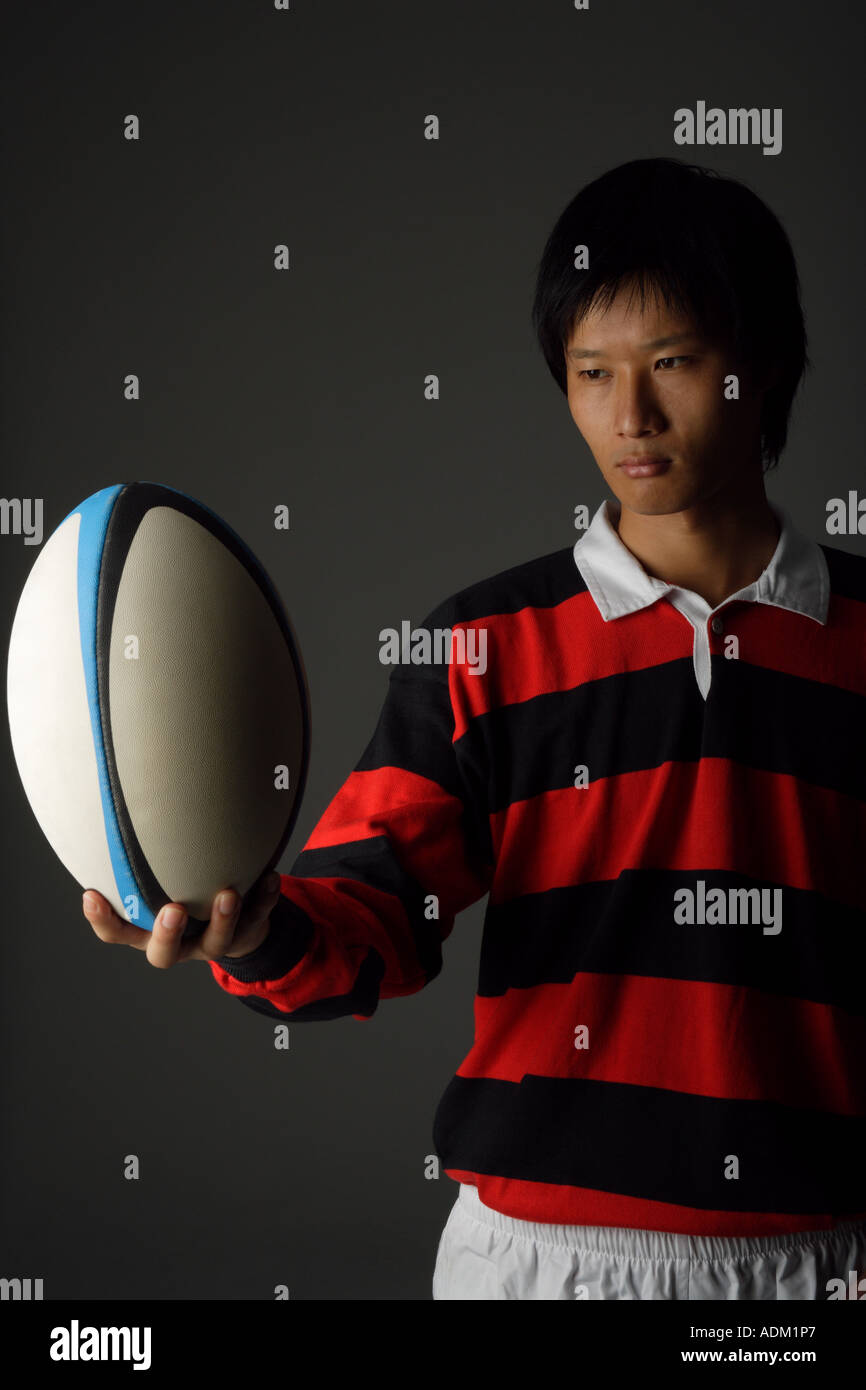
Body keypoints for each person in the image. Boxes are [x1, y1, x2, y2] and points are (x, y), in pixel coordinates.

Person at [83, 157, 866, 1300]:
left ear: (768, 364)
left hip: (819, 1258)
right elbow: (372, 916)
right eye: (591, 372)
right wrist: (246, 929)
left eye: (673, 365)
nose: (628, 414)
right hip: (539, 1260)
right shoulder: (483, 644)